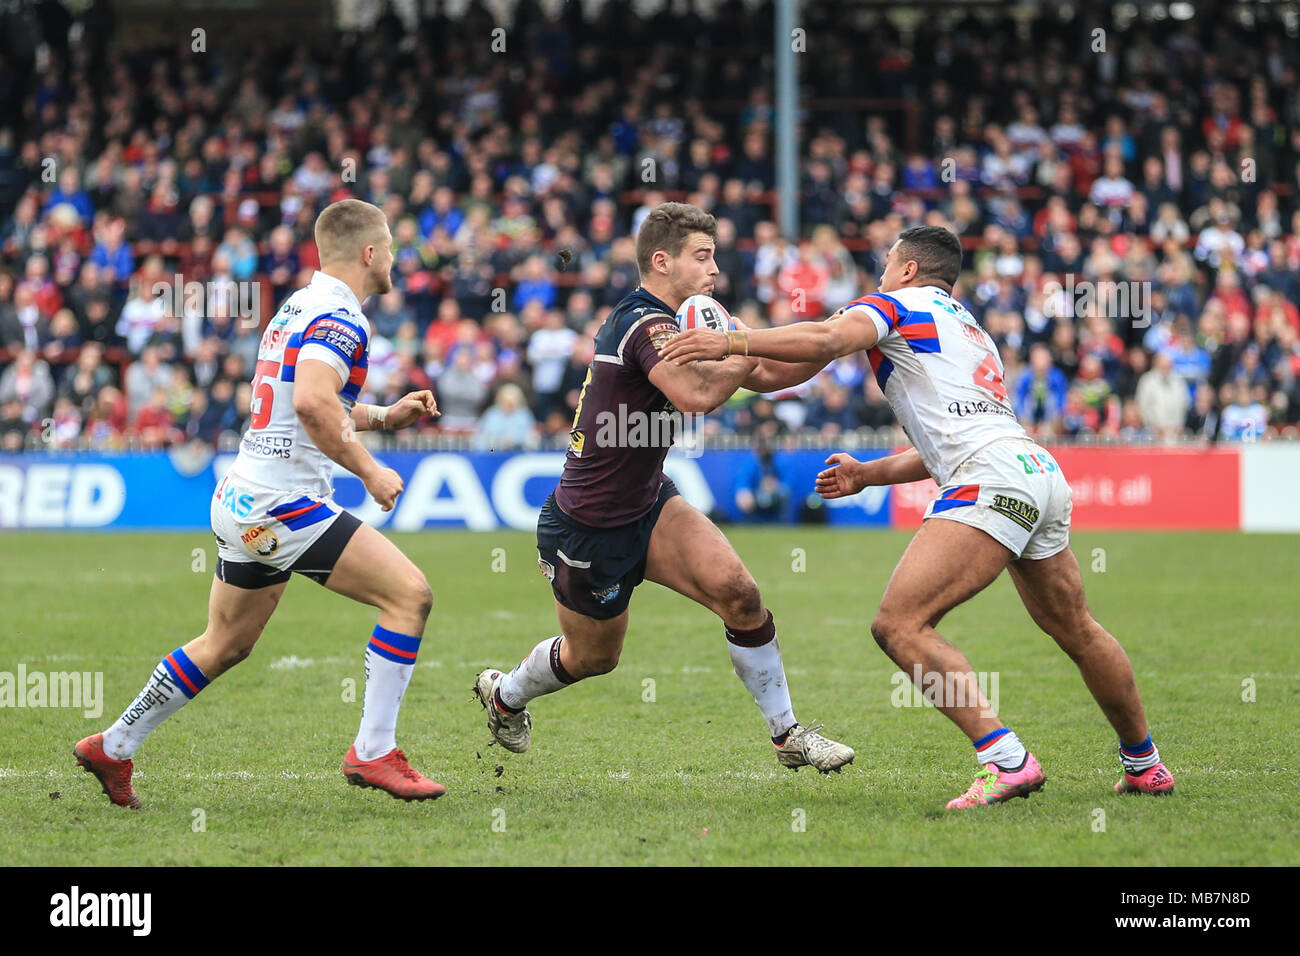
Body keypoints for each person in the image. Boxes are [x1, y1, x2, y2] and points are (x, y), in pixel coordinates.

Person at [663, 225, 1174, 808]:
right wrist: (866, 474)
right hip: (1034, 468)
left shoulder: (895, 303)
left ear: (907, 269)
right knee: (1077, 628)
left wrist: (733, 342)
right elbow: (947, 442)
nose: (880, 272)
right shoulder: (968, 327)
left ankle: (1006, 760)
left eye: (887, 262)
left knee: (899, 625)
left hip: (993, 476)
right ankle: (1145, 765)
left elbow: (829, 338)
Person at [75, 199, 447, 807]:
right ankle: (374, 752)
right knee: (409, 596)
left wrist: (384, 415)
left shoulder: (299, 307)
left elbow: (308, 397)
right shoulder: (340, 317)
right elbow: (312, 404)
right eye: (393, 247)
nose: (398, 259)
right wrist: (372, 470)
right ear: (370, 253)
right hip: (282, 503)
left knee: (225, 643)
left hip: (243, 495)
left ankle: (112, 747)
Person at [474, 202, 854, 773]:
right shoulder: (640, 321)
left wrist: (833, 339)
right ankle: (505, 695)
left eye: (715, 258)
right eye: (702, 257)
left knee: (741, 595)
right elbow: (697, 395)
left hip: (650, 503)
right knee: (595, 658)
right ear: (661, 261)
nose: (714, 270)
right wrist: (739, 347)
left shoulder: (689, 328)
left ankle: (788, 735)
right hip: (588, 526)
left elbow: (771, 374)